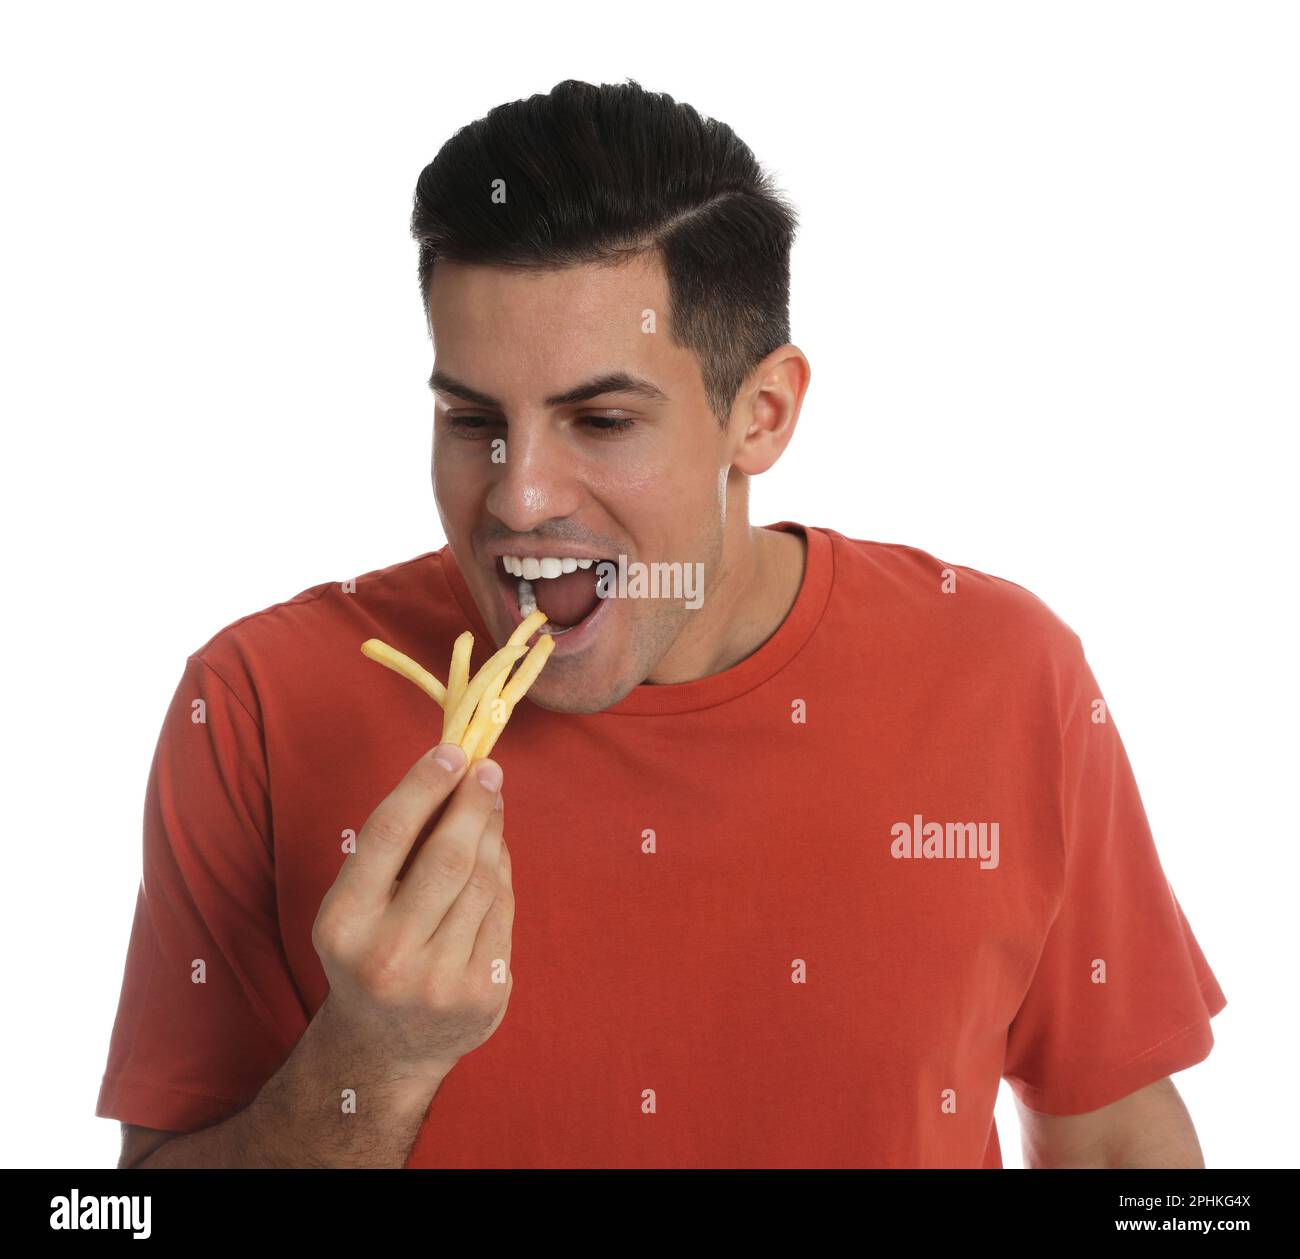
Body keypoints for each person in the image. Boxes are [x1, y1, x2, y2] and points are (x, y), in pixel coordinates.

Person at [97, 78, 1226, 1169]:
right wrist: (373, 1058)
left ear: (762, 412)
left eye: (599, 417)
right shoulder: (257, 700)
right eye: (472, 417)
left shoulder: (1002, 672)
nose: (519, 493)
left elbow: (1117, 1138)